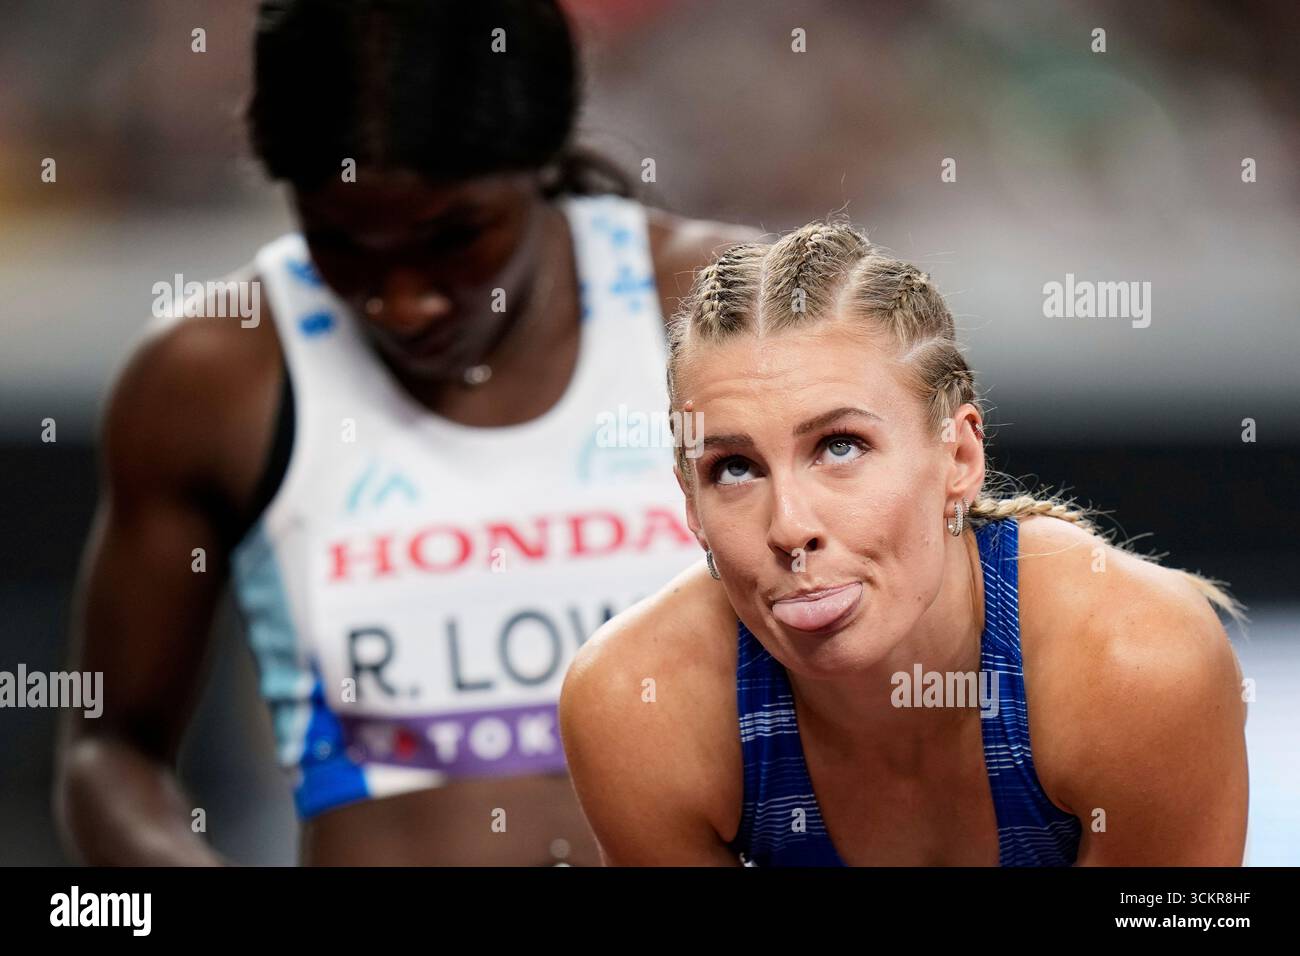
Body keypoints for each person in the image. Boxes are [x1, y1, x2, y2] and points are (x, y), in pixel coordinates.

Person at [56, 0, 757, 866]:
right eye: (341, 244)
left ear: (538, 158)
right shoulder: (211, 381)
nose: (404, 301)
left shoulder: (730, 314)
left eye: (454, 236)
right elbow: (111, 752)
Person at [559, 219, 1250, 866]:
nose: (790, 527)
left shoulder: (1136, 664)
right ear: (691, 505)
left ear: (959, 458)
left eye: (839, 447)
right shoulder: (635, 703)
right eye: (733, 469)